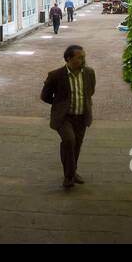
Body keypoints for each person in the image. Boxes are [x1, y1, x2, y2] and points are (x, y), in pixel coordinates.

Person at [40, 45, 95, 189]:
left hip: (82, 116)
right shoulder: (56, 75)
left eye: (84, 57)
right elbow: (45, 96)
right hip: (64, 118)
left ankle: (72, 172)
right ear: (69, 58)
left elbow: (90, 91)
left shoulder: (89, 73)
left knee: (76, 145)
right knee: (69, 141)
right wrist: (59, 104)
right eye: (80, 57)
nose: (84, 60)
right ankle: (69, 176)